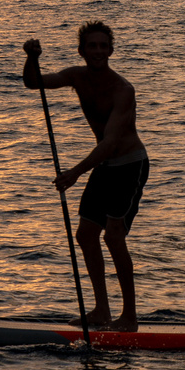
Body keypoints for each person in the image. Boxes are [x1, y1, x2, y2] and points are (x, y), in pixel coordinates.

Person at [23, 21, 149, 332]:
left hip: (128, 165)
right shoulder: (76, 76)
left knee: (113, 236)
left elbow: (110, 143)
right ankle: (101, 311)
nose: (97, 51)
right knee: (85, 235)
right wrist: (31, 56)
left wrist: (75, 172)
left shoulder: (123, 90)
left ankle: (129, 318)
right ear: (82, 51)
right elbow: (34, 82)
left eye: (103, 46)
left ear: (111, 50)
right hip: (104, 166)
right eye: (91, 46)